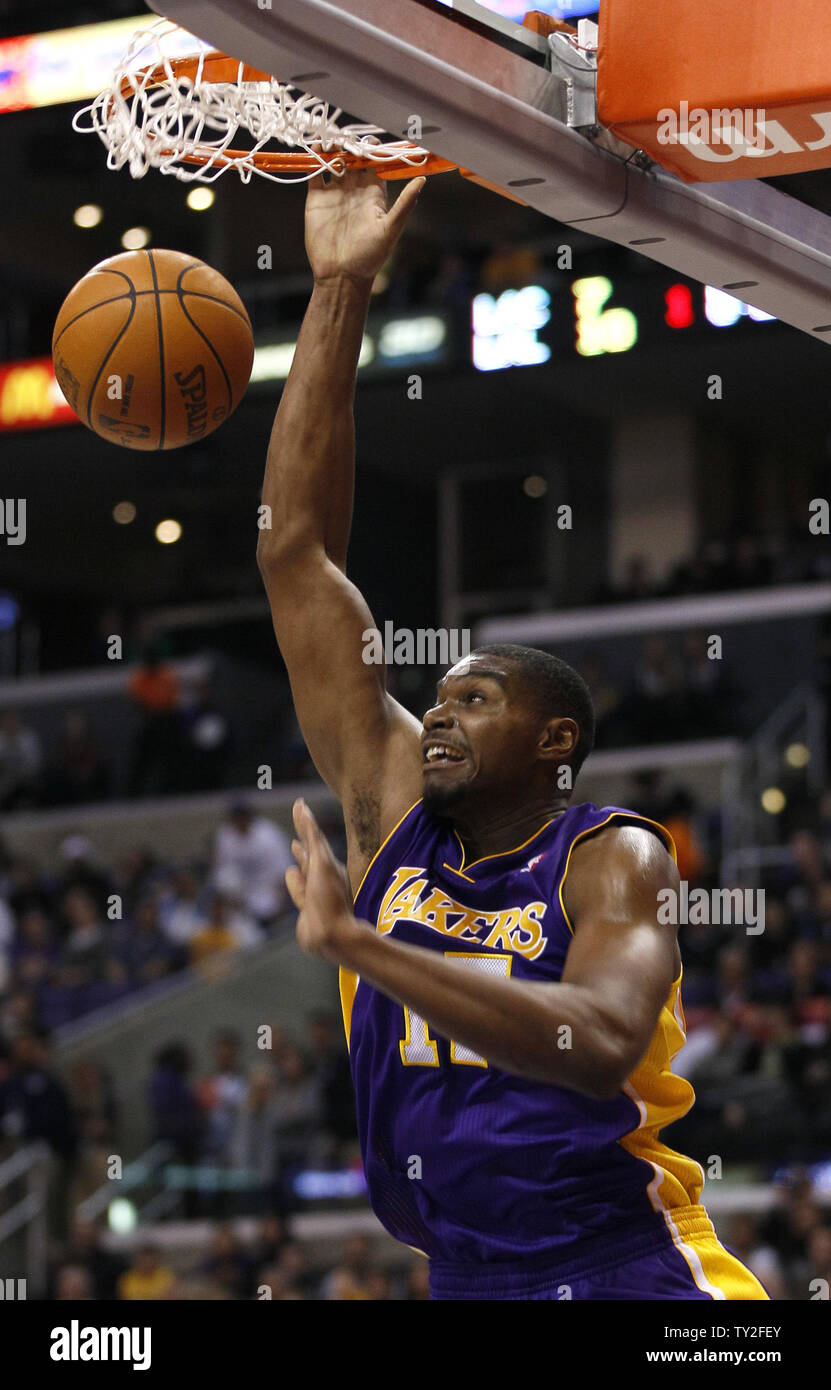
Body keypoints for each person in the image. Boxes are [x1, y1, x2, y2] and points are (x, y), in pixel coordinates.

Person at [256, 169, 767, 1302]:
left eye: (479, 697)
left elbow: (591, 1035)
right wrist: (340, 289)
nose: (439, 707)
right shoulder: (392, 808)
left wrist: (362, 947)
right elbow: (295, 553)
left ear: (557, 743)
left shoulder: (611, 854)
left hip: (634, 1265)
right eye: (440, 692)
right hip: (464, 1273)